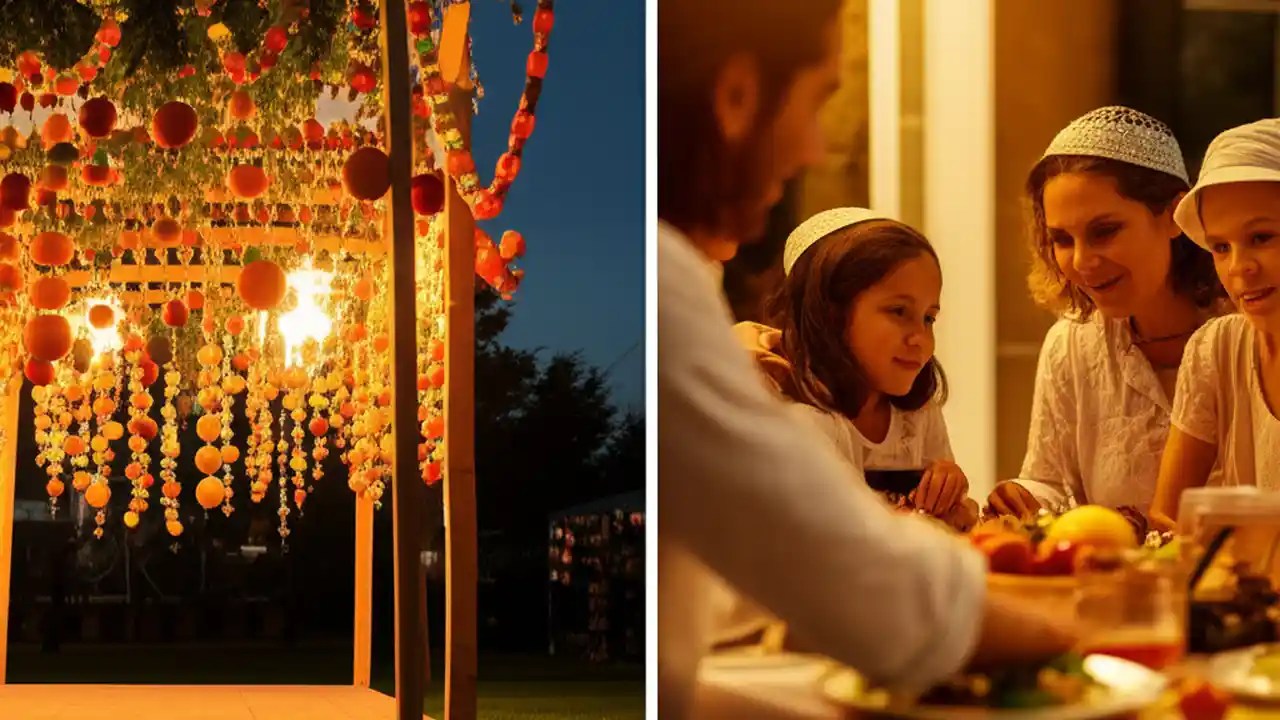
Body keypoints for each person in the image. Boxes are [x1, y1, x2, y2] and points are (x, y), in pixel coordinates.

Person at [658, 3, 1075, 717]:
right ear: (736, 96)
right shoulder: (674, 292)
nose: (816, 149)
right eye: (818, 100)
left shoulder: (682, 283)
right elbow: (854, 577)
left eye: (929, 316)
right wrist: (1094, 629)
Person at [983, 107, 1225, 519]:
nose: (1081, 261)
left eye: (1104, 231)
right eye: (1062, 239)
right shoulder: (1071, 344)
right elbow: (1049, 481)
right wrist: (1021, 499)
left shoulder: (1246, 331)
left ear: (1175, 216)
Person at [740, 208, 977, 529]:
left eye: (928, 318)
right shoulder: (794, 413)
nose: (920, 338)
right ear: (830, 312)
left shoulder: (918, 412)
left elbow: (944, 525)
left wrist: (949, 492)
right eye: (898, 311)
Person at [1150, 118, 1280, 528]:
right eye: (1221, 247)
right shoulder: (1216, 348)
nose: (1239, 267)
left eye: (1261, 237)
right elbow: (1167, 516)